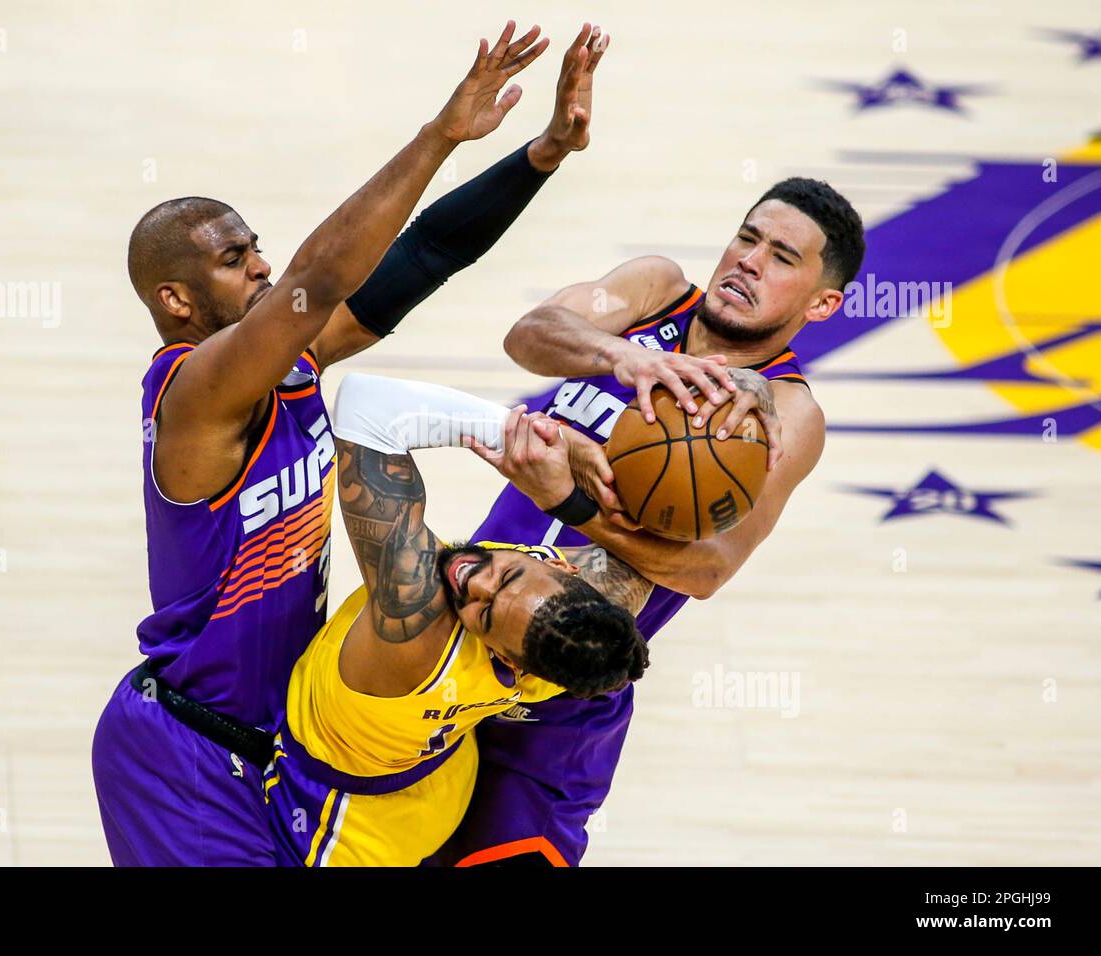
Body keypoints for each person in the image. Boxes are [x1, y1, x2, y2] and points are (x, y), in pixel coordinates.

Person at [92, 21, 608, 867]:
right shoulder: (194, 396)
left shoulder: (293, 361)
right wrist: (439, 134)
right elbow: (315, 281)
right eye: (234, 259)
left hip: (274, 746)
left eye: (257, 248)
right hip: (182, 752)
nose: (259, 266)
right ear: (178, 301)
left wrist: (542, 154)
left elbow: (427, 254)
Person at [431, 176, 866, 866]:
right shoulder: (655, 289)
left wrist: (569, 503)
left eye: (783, 257)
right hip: (451, 639)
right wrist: (625, 355)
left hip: (556, 701)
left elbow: (708, 566)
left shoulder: (785, 413)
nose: (749, 261)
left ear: (823, 303)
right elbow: (530, 334)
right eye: (747, 238)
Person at [262, 374, 651, 866]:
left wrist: (537, 438)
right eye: (507, 576)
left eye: (483, 614)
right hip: (442, 783)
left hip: (346, 828)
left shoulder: (417, 615)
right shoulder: (548, 656)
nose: (472, 581)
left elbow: (365, 406)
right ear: (560, 564)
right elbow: (640, 567)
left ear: (505, 655)